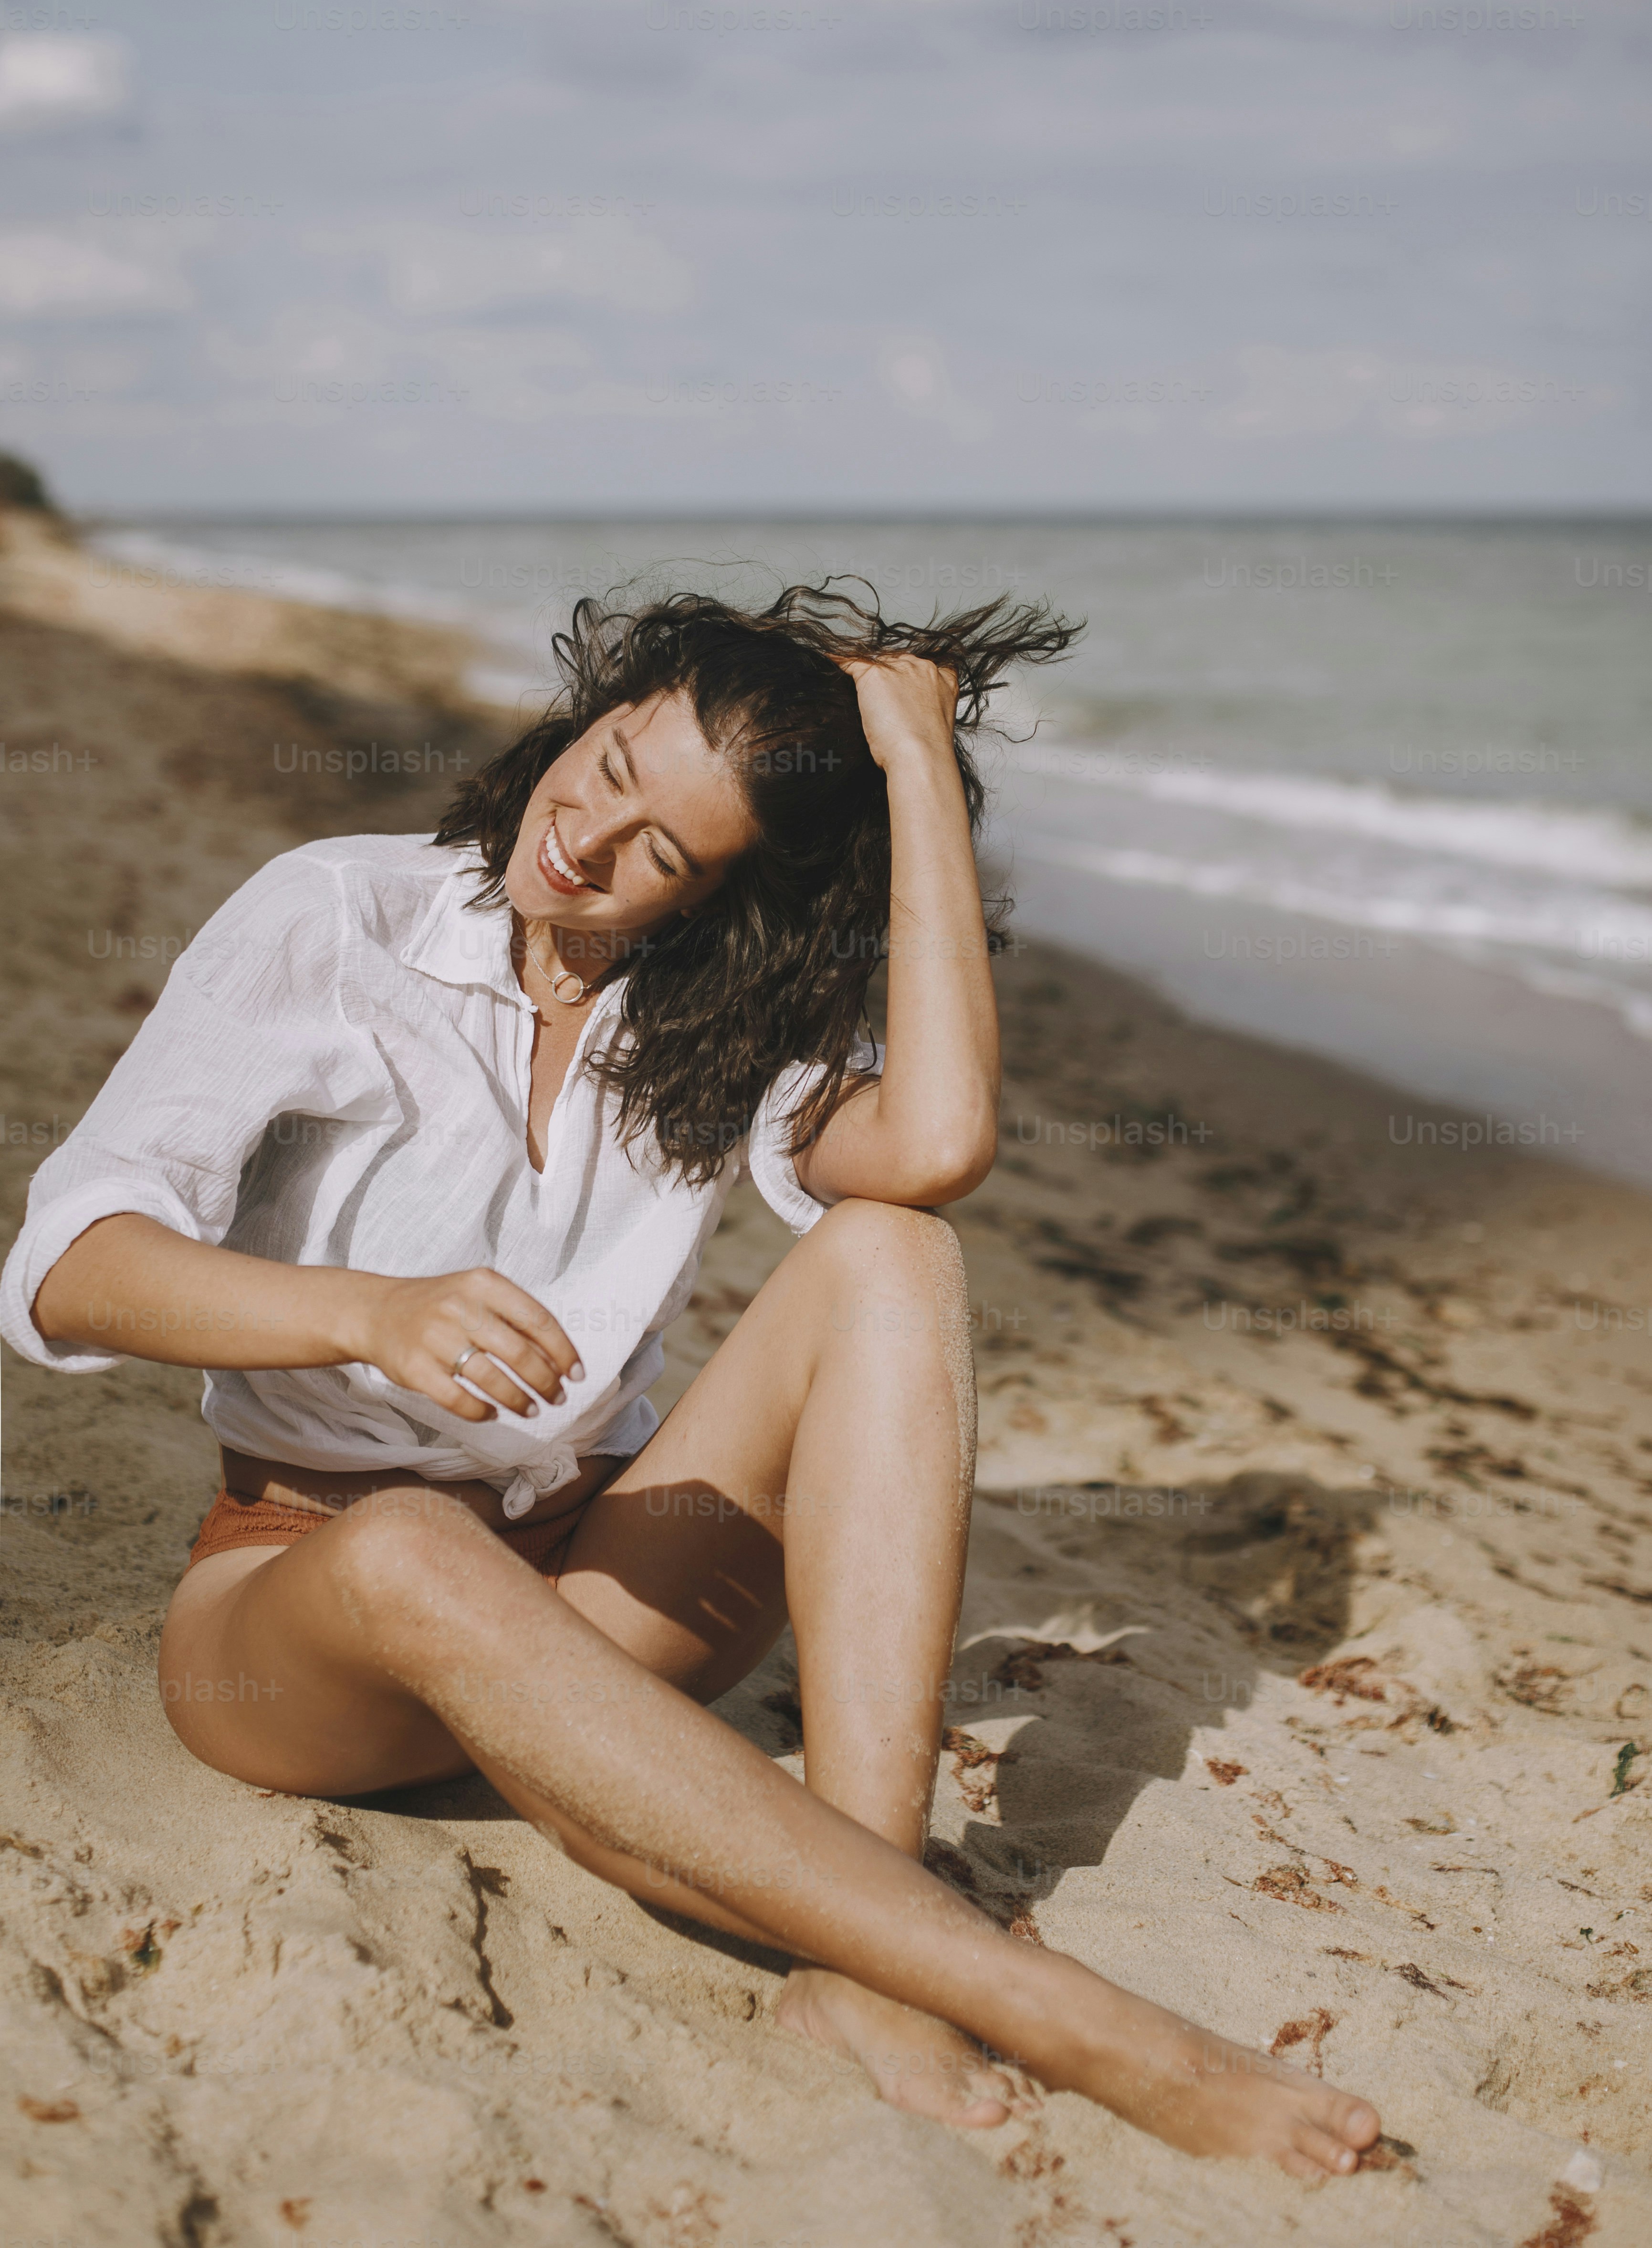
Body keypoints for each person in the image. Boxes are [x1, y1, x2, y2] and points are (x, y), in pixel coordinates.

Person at [0, 582, 1380, 2174]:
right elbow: (61, 1266)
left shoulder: (707, 1015)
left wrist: (920, 768)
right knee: (407, 1546)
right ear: (584, 708)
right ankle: (1056, 2008)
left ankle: (863, 1969)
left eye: (659, 847)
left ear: (723, 895)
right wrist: (359, 1311)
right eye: (604, 760)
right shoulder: (337, 916)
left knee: (896, 1253)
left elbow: (936, 1146)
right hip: (314, 1621)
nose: (580, 837)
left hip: (608, 1593)